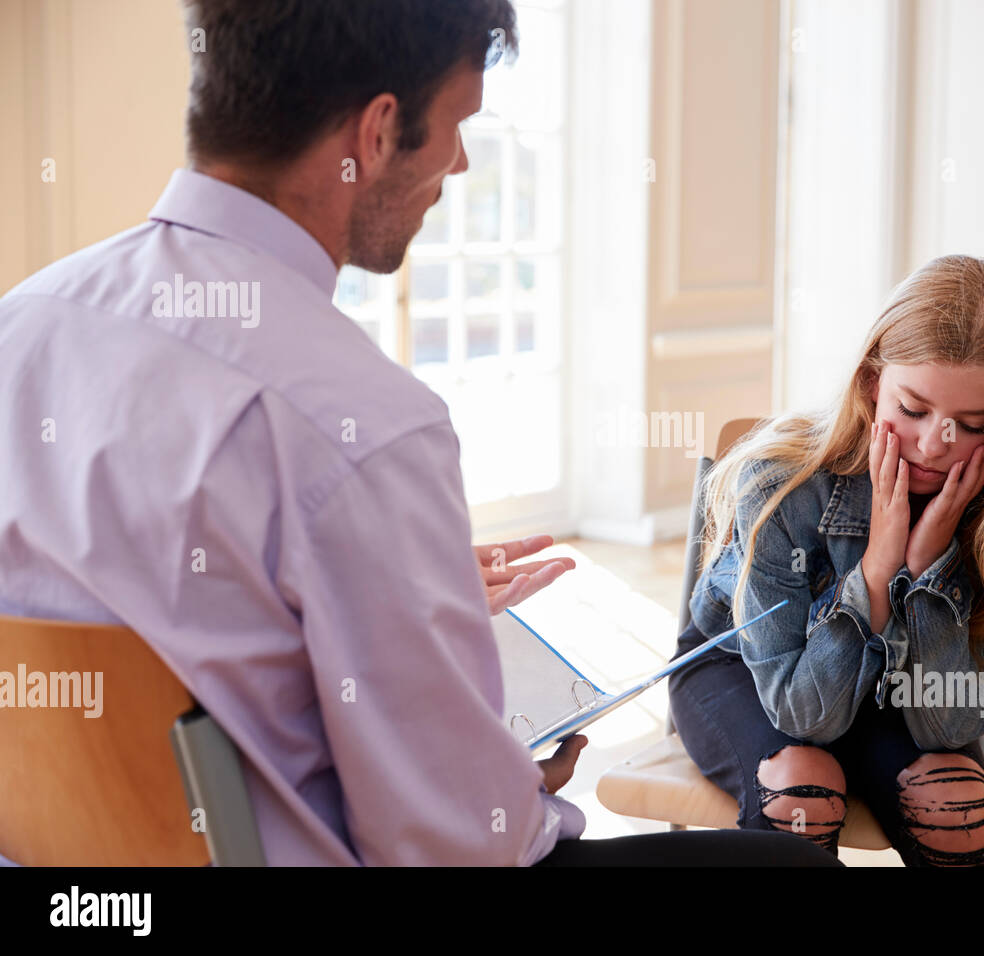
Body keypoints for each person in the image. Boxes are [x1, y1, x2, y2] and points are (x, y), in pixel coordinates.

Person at [0, 0, 837, 867]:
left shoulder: (21, 327)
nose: (461, 162)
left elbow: (154, 627)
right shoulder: (361, 424)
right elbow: (454, 845)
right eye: (459, 123)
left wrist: (390, 597)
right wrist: (508, 782)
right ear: (377, 130)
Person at [668, 254, 984, 865]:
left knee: (956, 812)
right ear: (872, 382)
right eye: (913, 409)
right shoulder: (782, 482)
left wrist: (925, 571)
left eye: (971, 425)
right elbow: (805, 715)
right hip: (749, 676)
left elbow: (949, 729)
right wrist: (878, 566)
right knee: (802, 794)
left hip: (897, 698)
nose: (932, 446)